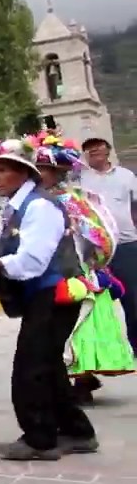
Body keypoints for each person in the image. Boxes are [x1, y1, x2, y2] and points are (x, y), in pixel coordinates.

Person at [0, 136, 97, 460]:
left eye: (2, 169)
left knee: (31, 367)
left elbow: (31, 262)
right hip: (41, 294)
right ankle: (77, 432)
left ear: (23, 172)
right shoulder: (15, 208)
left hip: (53, 293)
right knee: (47, 365)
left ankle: (39, 438)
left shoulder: (39, 206)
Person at [30, 133, 133, 403]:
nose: (39, 174)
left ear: (58, 172)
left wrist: (90, 259)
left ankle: (80, 381)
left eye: (44, 170)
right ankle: (74, 379)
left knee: (80, 325)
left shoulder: (72, 200)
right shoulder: (37, 200)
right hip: (49, 271)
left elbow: (97, 234)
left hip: (74, 269)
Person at [80, 136, 137, 353]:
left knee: (133, 298)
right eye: (89, 149)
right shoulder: (80, 179)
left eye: (98, 146)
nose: (94, 150)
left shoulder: (126, 176)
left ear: (107, 150)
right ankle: (99, 352)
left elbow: (135, 206)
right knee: (95, 301)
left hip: (126, 244)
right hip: (93, 250)